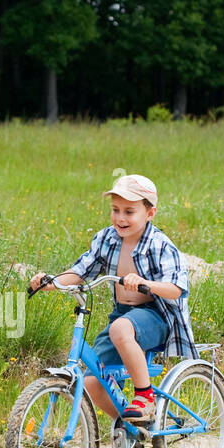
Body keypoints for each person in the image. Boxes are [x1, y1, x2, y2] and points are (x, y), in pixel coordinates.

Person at [29, 173, 197, 432]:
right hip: (122, 315)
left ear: (149, 213)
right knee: (92, 382)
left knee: (120, 329)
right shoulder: (107, 238)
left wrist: (146, 283)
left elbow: (176, 289)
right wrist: (51, 281)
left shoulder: (160, 245)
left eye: (129, 212)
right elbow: (81, 270)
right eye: (115, 210)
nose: (121, 218)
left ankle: (145, 397)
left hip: (157, 315)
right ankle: (130, 428)